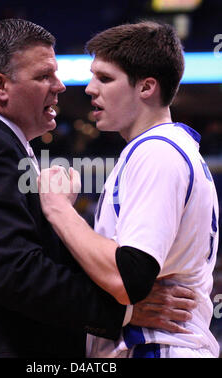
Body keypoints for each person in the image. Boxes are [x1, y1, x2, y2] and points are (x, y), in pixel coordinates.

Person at [0, 19, 196, 358]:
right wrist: (124, 312)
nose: (61, 86)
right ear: (0, 86)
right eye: (44, 76)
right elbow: (14, 273)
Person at [38, 21, 220, 358]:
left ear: (147, 87)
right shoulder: (157, 149)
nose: (91, 89)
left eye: (105, 78)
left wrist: (57, 208)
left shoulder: (157, 152)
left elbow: (127, 278)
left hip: (156, 347)